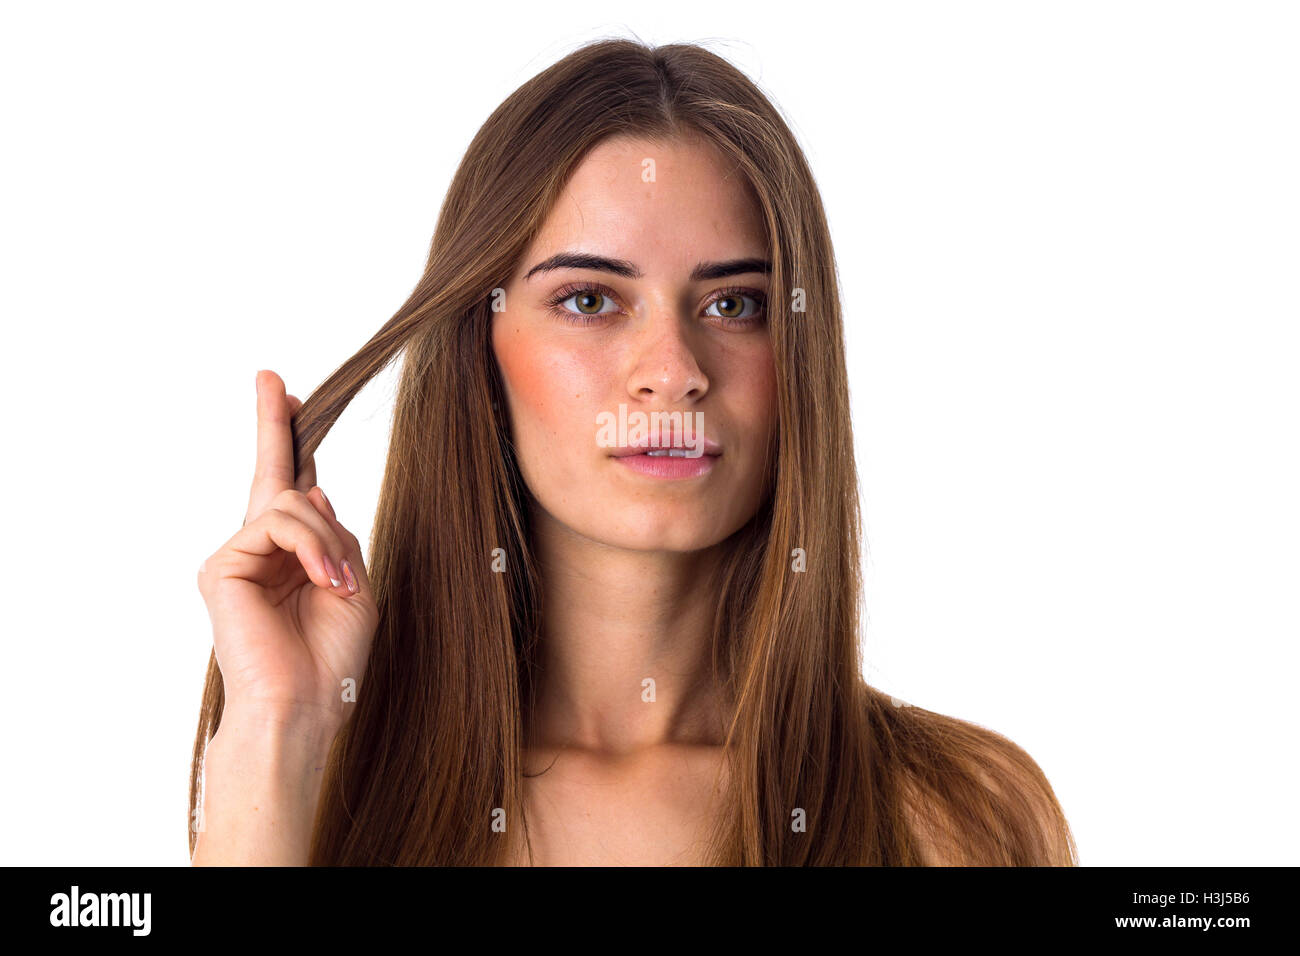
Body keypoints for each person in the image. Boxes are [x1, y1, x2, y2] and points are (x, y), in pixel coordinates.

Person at [190, 37, 1077, 866]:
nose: (675, 373)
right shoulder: (318, 781)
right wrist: (277, 725)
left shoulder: (958, 818)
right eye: (589, 300)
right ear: (480, 351)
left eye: (735, 305)